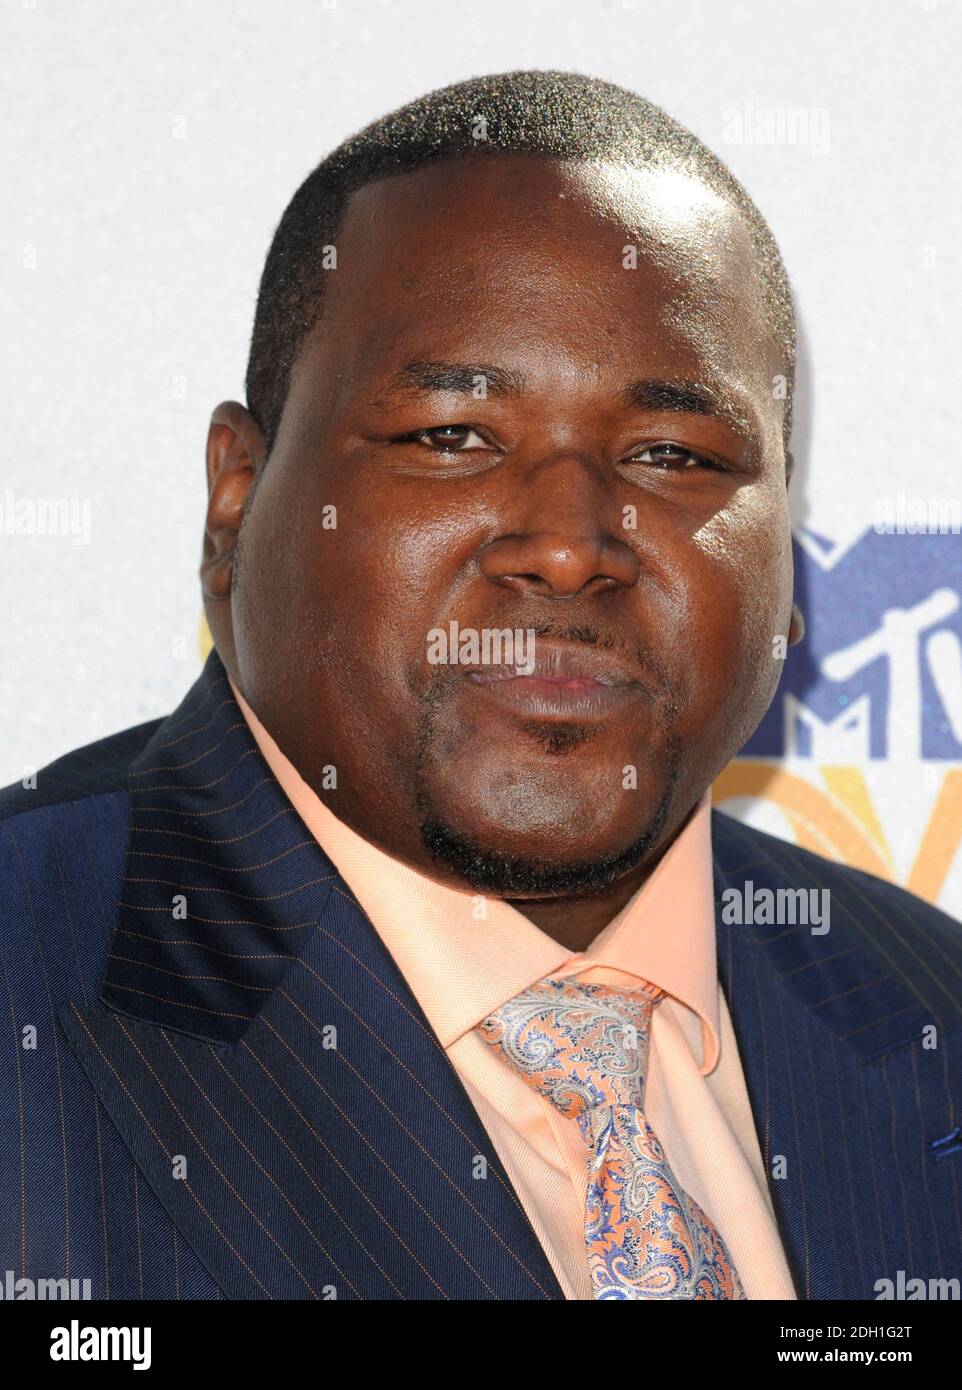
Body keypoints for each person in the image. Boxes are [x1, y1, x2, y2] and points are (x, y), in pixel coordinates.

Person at [2, 69, 960, 1302]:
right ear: (234, 501)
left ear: (786, 564)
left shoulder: (928, 1012)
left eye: (673, 455)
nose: (568, 543)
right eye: (450, 437)